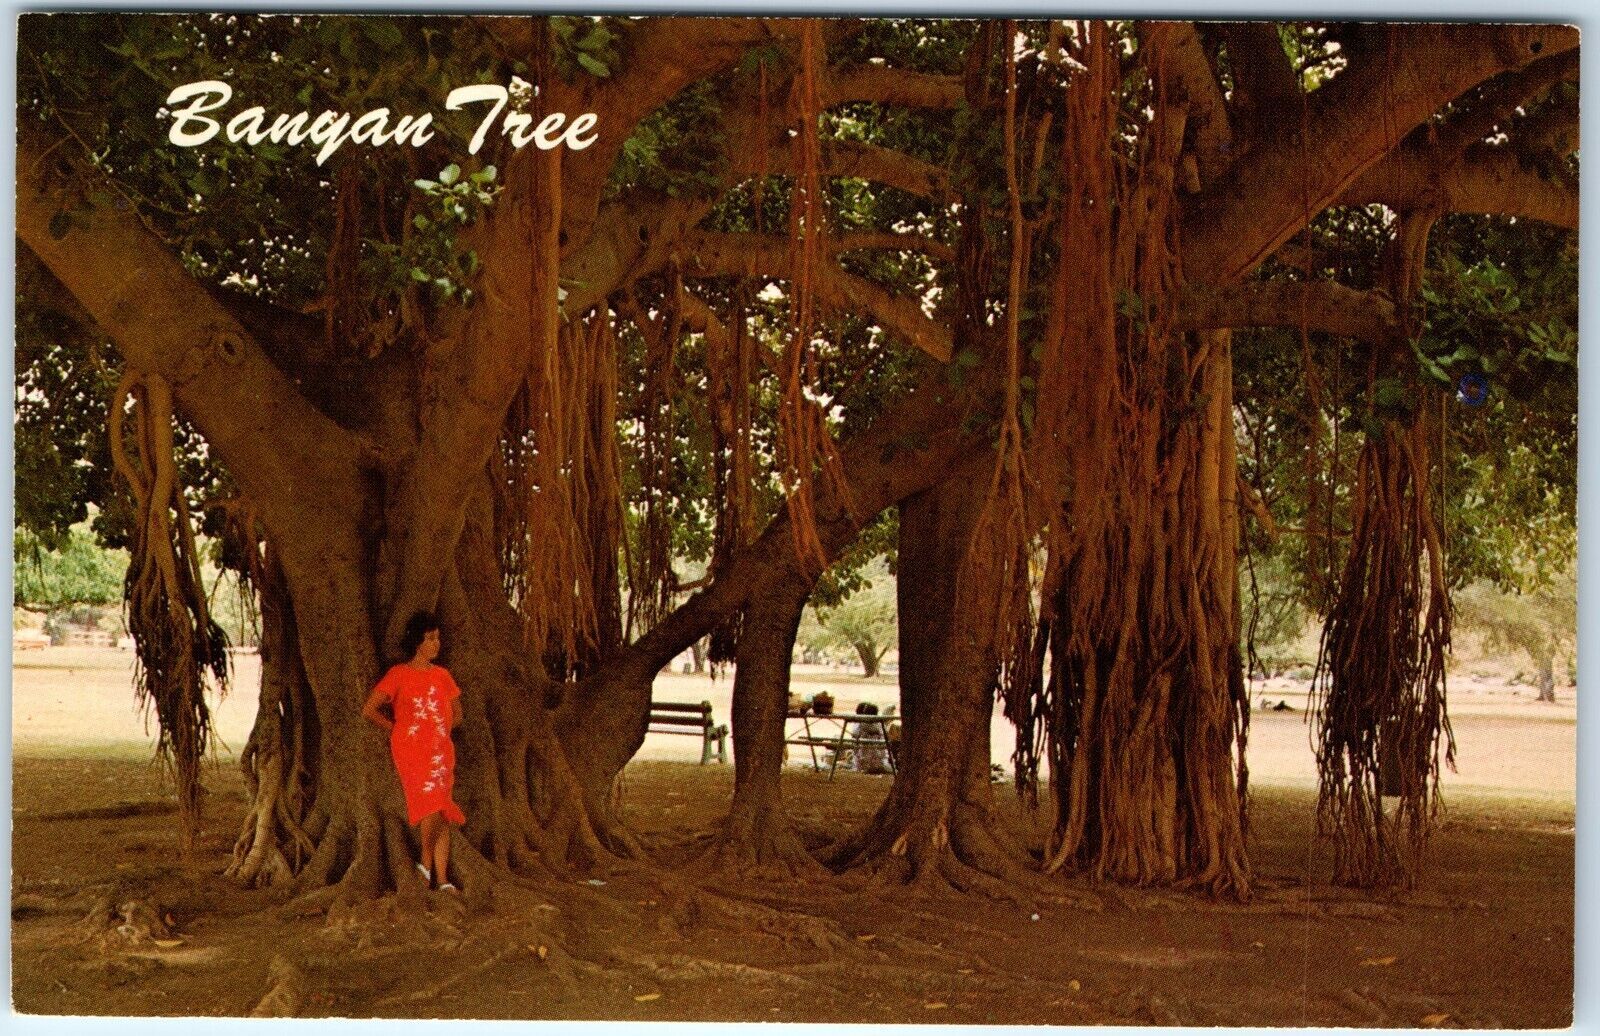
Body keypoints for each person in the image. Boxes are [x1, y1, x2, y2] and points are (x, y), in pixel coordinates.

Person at [362, 612, 465, 892]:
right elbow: (369, 709)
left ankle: (440, 878)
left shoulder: (443, 676)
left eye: (438, 638)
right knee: (430, 804)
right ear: (417, 642)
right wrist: (397, 729)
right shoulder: (399, 674)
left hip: (440, 750)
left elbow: (458, 714)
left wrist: (439, 729)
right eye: (430, 638)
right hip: (411, 750)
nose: (436, 644)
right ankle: (426, 863)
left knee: (441, 807)